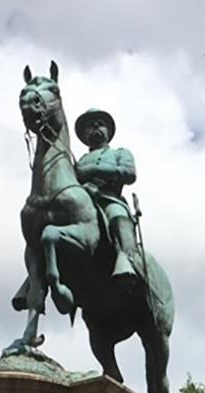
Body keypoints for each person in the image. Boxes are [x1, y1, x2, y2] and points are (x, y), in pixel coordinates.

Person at [74, 108, 141, 287]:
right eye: (90, 125)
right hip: (81, 201)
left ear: (108, 132)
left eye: (100, 124)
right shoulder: (78, 161)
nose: (95, 127)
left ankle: (127, 260)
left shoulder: (120, 153)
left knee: (117, 216)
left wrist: (94, 171)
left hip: (110, 199)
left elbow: (129, 174)